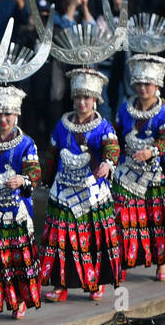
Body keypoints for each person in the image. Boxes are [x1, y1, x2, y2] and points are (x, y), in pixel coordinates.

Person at [36, 68, 121, 301]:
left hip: (91, 191)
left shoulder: (103, 127)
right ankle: (60, 285)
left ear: (95, 99)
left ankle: (95, 283)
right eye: (78, 97)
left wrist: (107, 164)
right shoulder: (62, 125)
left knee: (93, 238)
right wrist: (45, 179)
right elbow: (52, 154)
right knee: (60, 240)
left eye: (87, 97)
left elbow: (112, 148)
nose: (82, 102)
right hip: (63, 190)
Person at [112, 56, 165, 280]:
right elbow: (116, 136)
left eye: (148, 84)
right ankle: (124, 261)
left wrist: (151, 151)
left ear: (156, 85)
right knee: (123, 218)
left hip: (156, 174)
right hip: (127, 171)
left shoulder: (164, 111)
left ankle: (161, 261)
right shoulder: (125, 109)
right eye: (139, 83)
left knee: (159, 219)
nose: (143, 88)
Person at [0, 86, 44, 313]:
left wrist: (23, 179)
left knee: (17, 257)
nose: (4, 119)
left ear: (17, 114)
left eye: (8, 114)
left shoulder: (26, 143)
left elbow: (34, 172)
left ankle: (18, 301)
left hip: (15, 211)